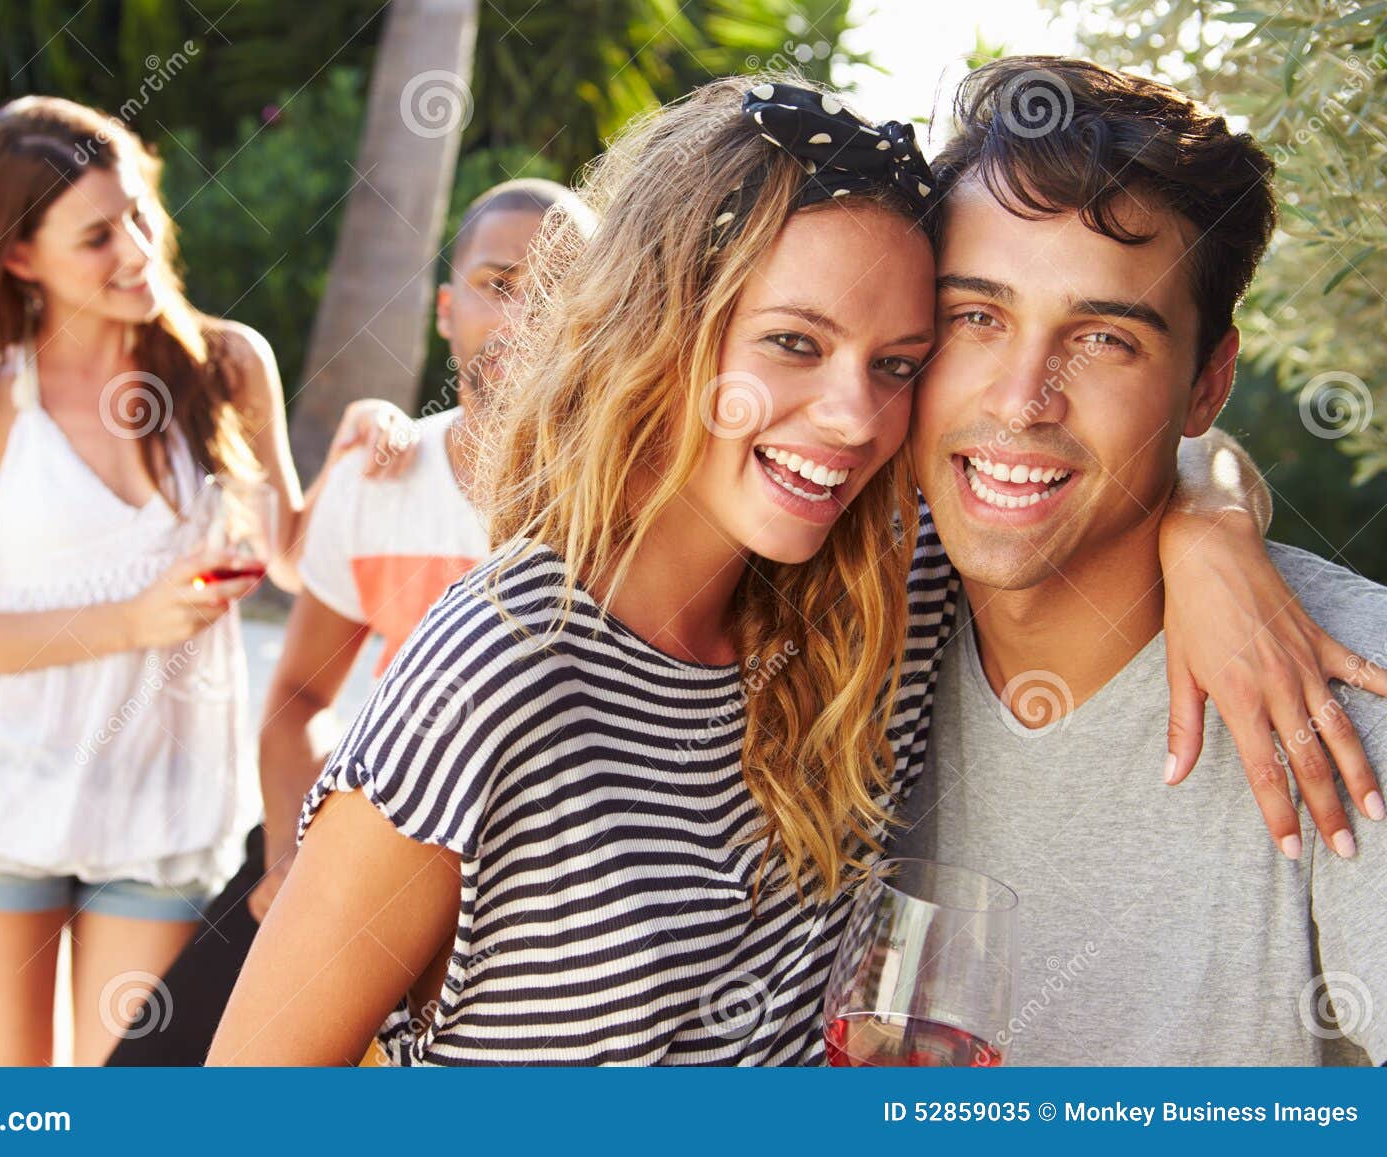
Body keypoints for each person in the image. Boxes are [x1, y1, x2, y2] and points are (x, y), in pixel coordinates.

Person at [207, 76, 1378, 1067]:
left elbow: (1095, 474)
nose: (853, 416)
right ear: (662, 330)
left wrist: (1208, 527)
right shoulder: (497, 670)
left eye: (896, 362)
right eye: (793, 343)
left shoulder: (876, 596)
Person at [894, 56, 1387, 1064]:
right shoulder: (856, 620)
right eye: (975, 317)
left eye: (1105, 339)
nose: (1022, 398)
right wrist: (1210, 508)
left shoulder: (1349, 683)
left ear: (1206, 385)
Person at [106, 179, 593, 1065]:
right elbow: (298, 697)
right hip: (369, 843)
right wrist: (290, 862)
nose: (527, 319)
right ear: (445, 309)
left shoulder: (630, 505)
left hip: (537, 893)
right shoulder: (381, 482)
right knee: (149, 1068)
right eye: (500, 284)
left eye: (563, 291)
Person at [0, 96, 305, 1066]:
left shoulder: (231, 366)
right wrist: (130, 618)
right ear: (20, 260)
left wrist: (380, 440)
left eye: (141, 214)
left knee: (125, 1110)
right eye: (97, 237)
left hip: (165, 808)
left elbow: (291, 552)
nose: (138, 250)